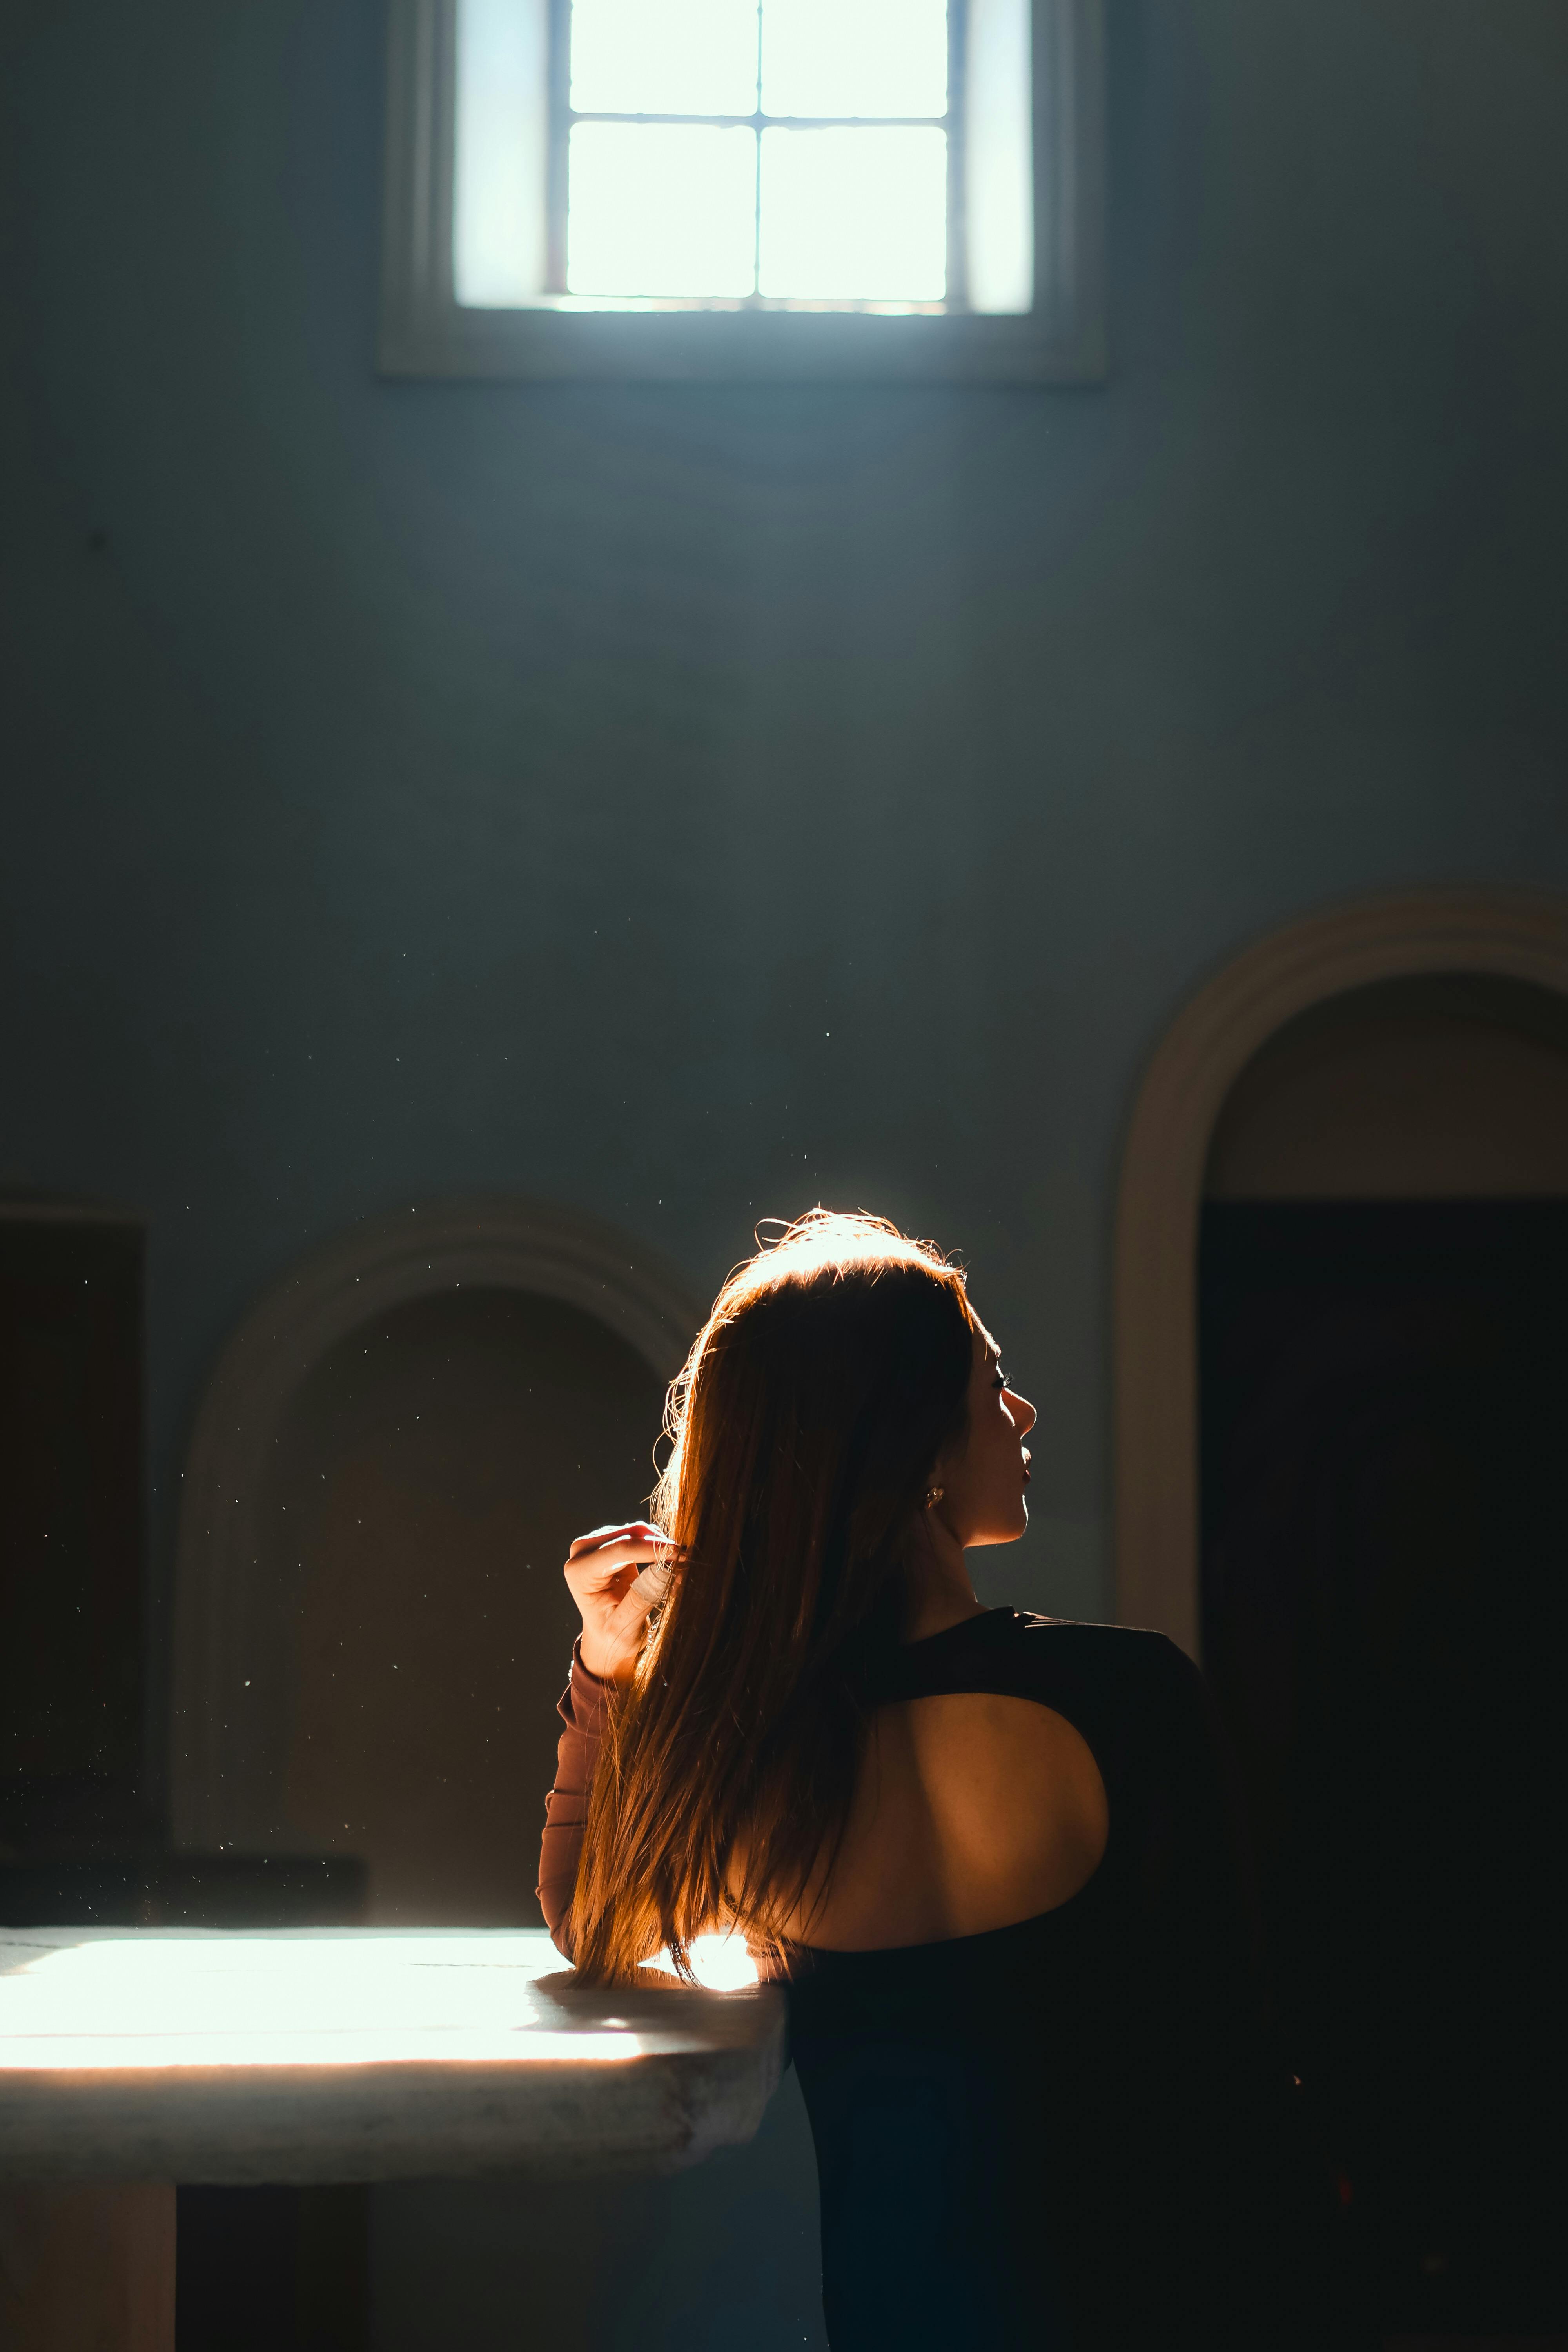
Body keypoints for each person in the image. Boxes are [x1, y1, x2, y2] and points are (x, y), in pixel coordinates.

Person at [536, 1211, 1334, 2348]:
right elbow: (1239, 2080)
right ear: (911, 1446)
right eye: (992, 1384)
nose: (1022, 1413)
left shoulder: (747, 1765)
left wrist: (605, 1670)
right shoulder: (1128, 1695)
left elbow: (588, 1919)